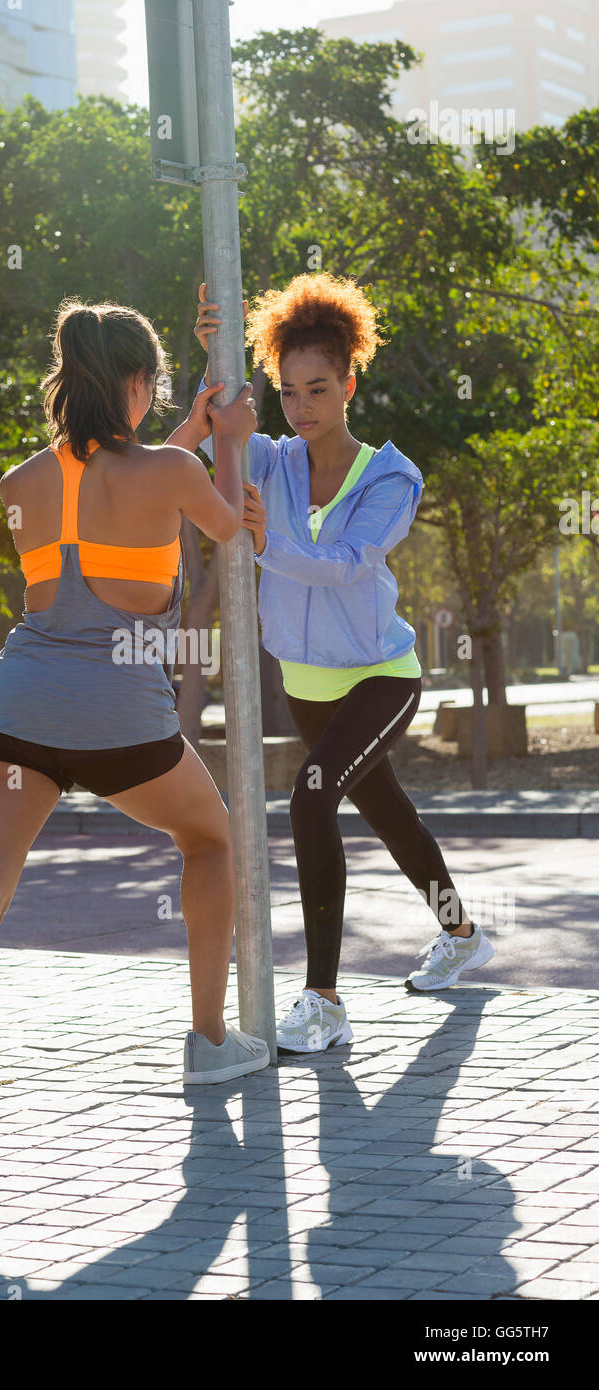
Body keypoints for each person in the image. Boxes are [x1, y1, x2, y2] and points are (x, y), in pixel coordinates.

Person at [0, 298, 269, 1160]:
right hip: (120, 721)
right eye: (153, 386)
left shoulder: (21, 483)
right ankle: (210, 1041)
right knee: (211, 839)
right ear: (135, 382)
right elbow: (226, 525)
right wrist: (231, 438)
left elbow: (107, 490)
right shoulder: (172, 470)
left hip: (15, 715)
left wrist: (194, 426)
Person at [187, 274, 494, 1054]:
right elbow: (217, 427)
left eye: (317, 389)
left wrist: (268, 545)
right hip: (306, 685)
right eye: (288, 392)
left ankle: (323, 1000)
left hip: (381, 675)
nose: (301, 407)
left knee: (312, 798)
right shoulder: (271, 458)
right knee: (389, 813)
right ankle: (461, 936)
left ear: (350, 383)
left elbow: (351, 565)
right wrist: (212, 355)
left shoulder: (392, 476)